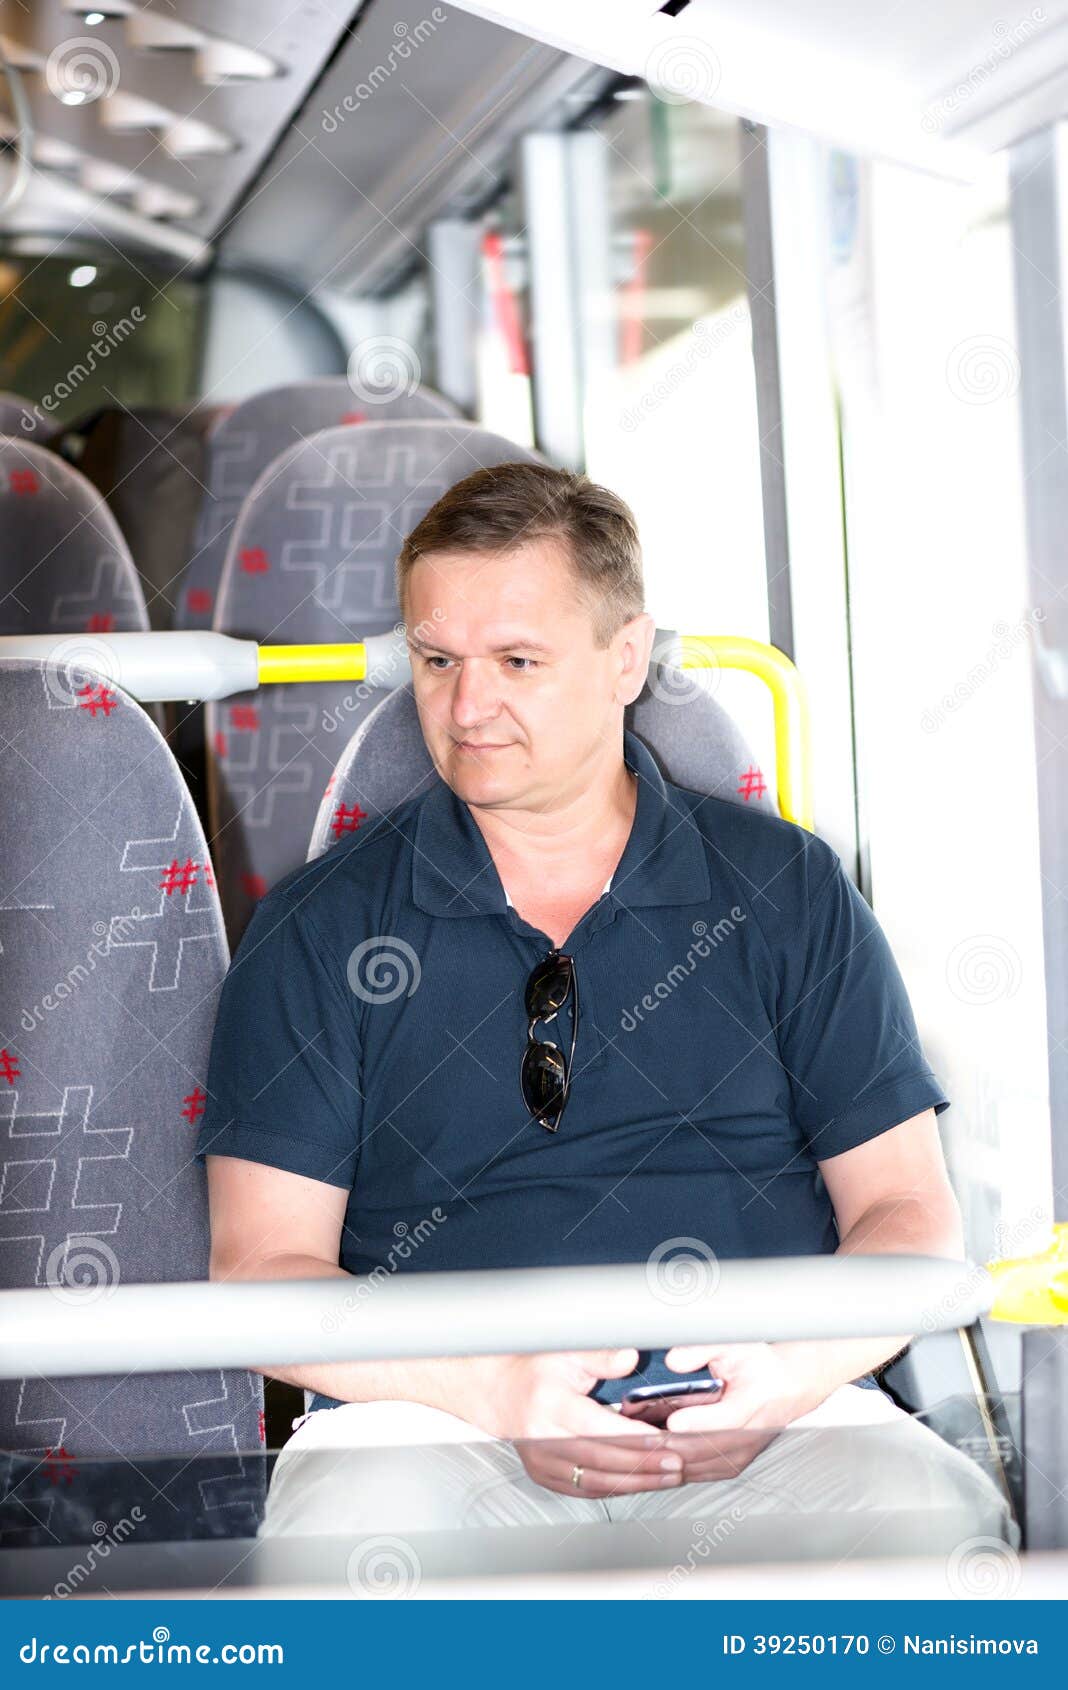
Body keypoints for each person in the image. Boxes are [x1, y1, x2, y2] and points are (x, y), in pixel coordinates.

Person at [196, 462, 1016, 1551]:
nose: (466, 705)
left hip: (772, 1412)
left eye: (517, 662)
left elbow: (906, 1212)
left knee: (932, 1529)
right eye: (436, 661)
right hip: (439, 1430)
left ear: (624, 659)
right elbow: (259, 1269)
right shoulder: (317, 928)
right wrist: (494, 1391)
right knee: (346, 1551)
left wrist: (783, 1377)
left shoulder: (786, 892)